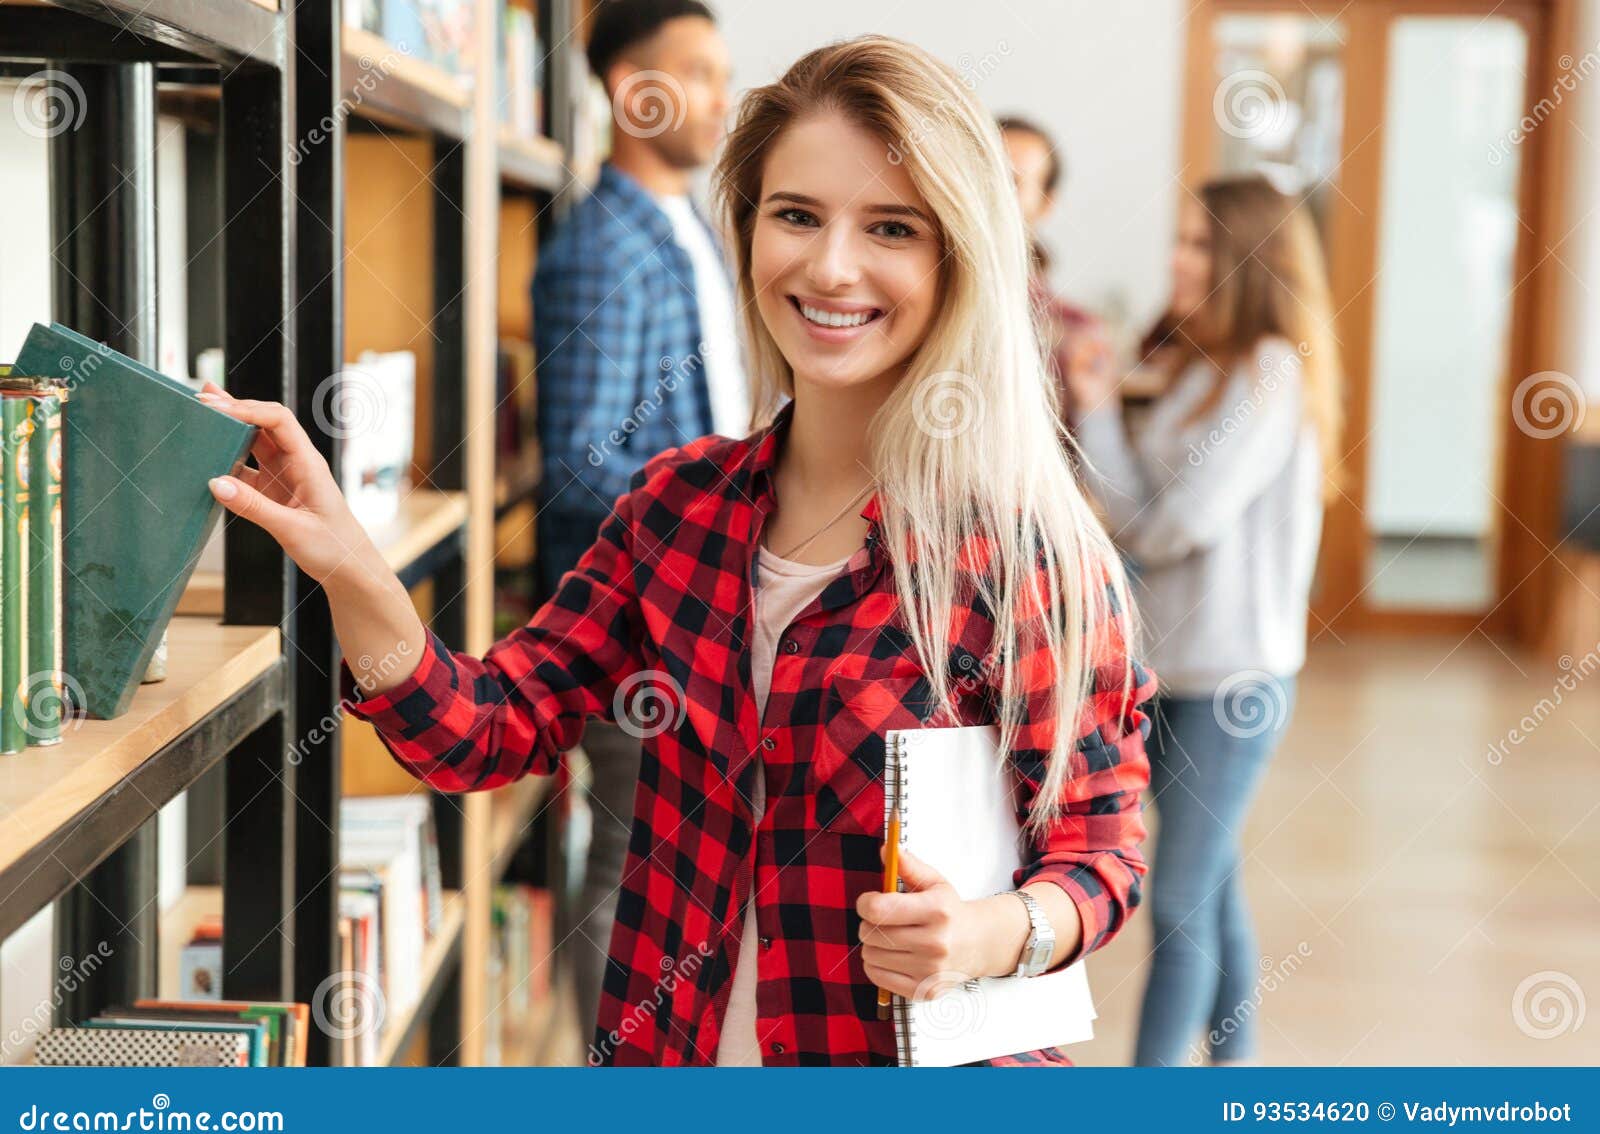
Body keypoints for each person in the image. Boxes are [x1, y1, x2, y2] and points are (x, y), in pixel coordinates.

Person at [203, 34, 1154, 1067]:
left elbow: (1099, 851)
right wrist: (352, 562)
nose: (830, 266)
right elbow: (483, 730)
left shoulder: (1025, 552)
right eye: (795, 215)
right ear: (746, 230)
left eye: (891, 227)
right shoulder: (679, 507)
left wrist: (996, 932)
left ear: (956, 255)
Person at [1066, 174, 1342, 1066]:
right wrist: (1103, 410)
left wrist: (1135, 507)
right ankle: (1238, 1071)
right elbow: (1134, 504)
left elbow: (1181, 519)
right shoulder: (1197, 364)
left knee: (1178, 895)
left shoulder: (1271, 368)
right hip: (1168, 669)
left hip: (1234, 682)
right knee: (1210, 886)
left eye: (1197, 243)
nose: (1178, 260)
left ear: (1245, 259)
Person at [531, 0, 741, 1035]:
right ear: (631, 90)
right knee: (625, 862)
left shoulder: (684, 225)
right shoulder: (603, 247)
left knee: (668, 867)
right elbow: (581, 463)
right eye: (696, 72)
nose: (720, 96)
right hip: (640, 622)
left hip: (695, 610)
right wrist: (718, 527)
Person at [997, 114, 1111, 429]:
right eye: (983, 175)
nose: (992, 194)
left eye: (1013, 182)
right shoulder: (918, 299)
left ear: (1046, 204)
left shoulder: (1078, 332)